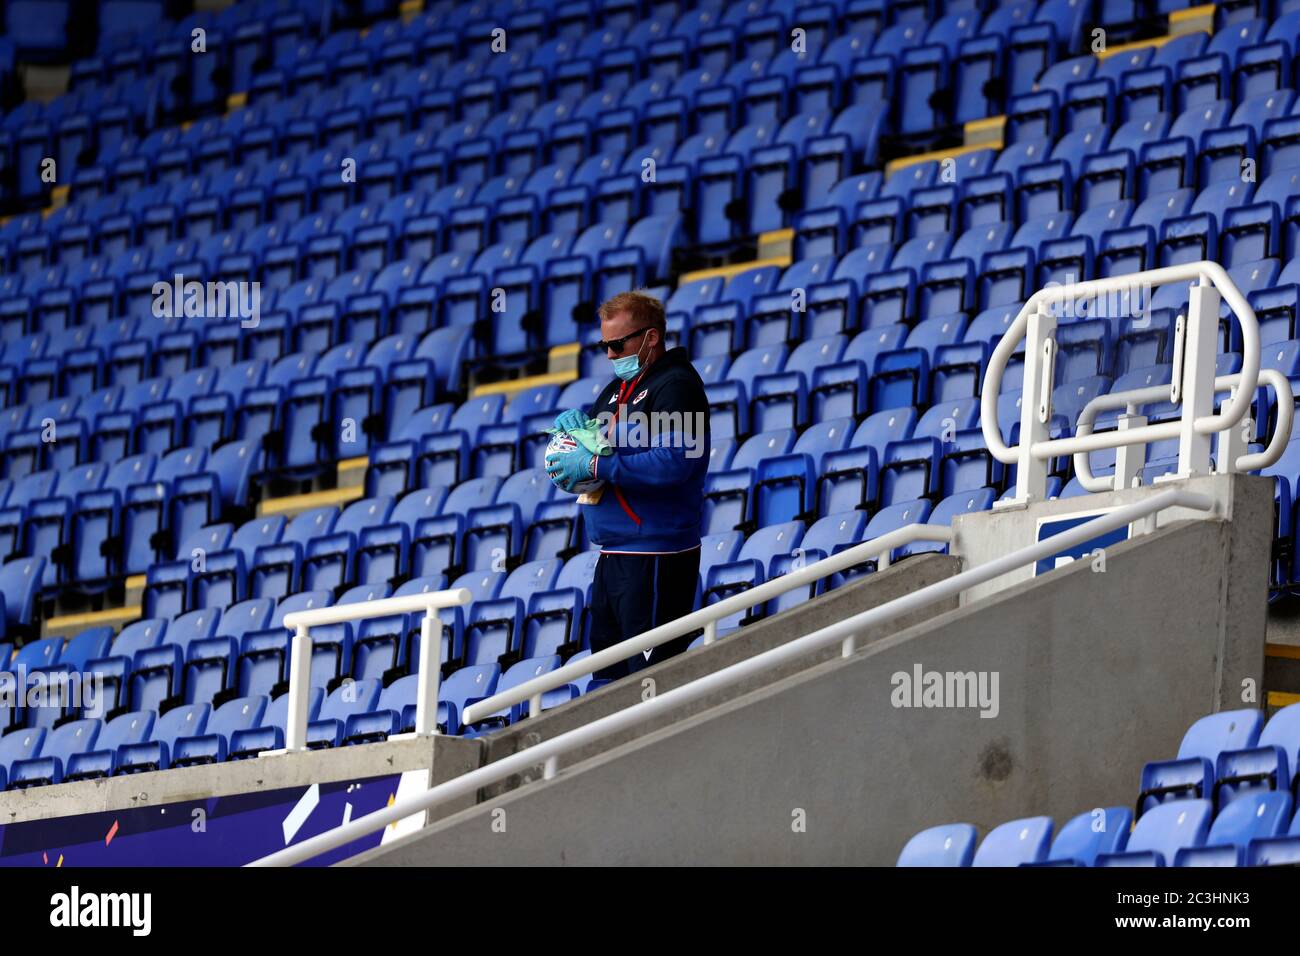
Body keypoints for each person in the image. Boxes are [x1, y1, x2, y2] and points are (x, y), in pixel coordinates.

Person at [544, 290, 711, 680]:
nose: (610, 356)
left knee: (647, 683)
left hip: (657, 558)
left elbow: (674, 464)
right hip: (613, 557)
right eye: (605, 346)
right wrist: (578, 436)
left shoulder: (677, 386)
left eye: (618, 345)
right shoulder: (616, 391)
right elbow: (597, 455)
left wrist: (597, 462)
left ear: (651, 337)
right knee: (607, 682)